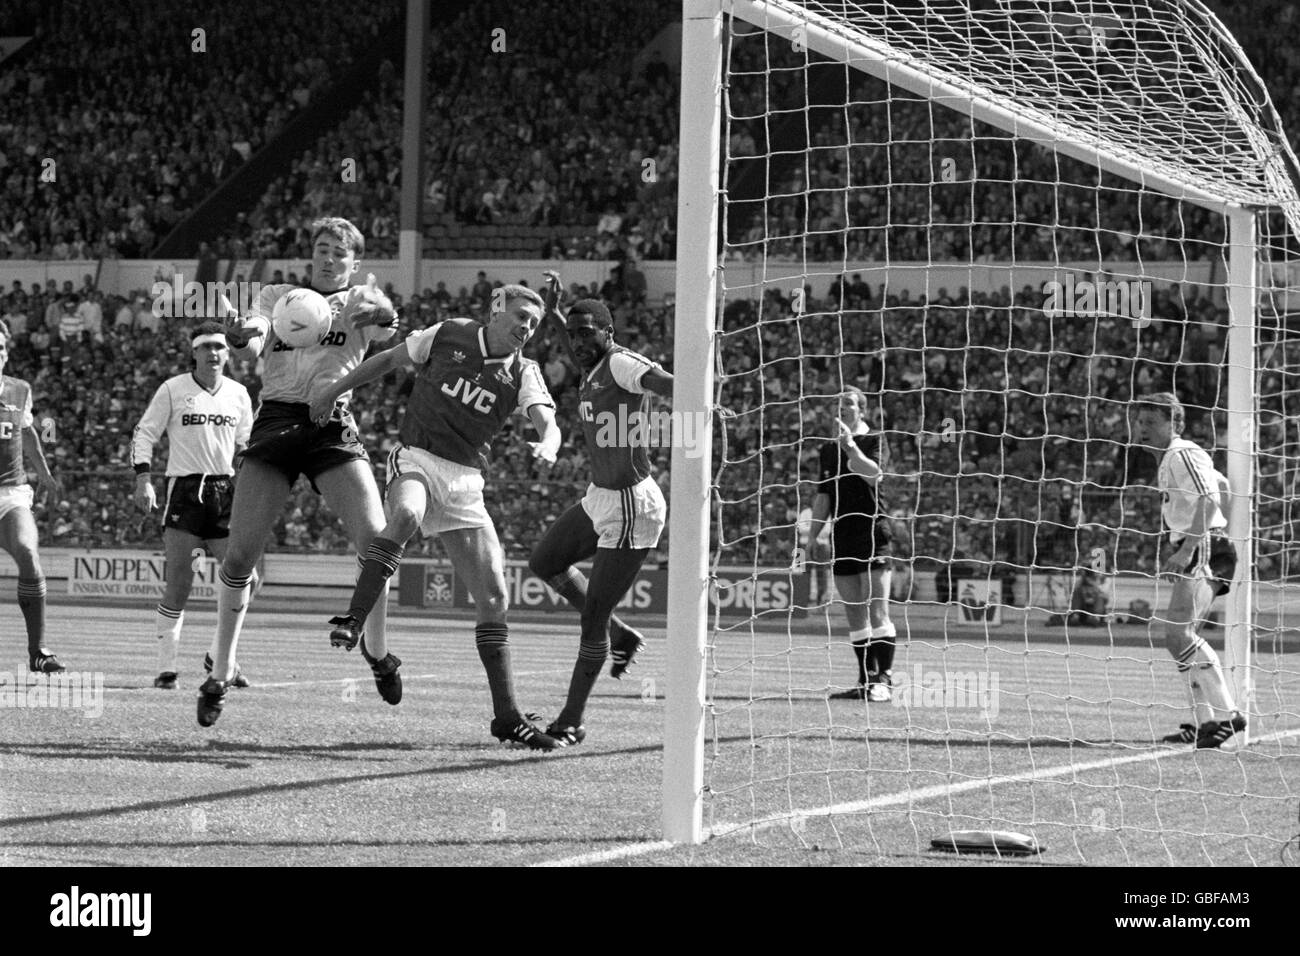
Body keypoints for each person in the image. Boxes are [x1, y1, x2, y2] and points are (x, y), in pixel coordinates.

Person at [308, 284, 565, 750]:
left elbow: (546, 417)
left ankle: (507, 717)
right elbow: (387, 360)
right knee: (405, 512)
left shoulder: (524, 371)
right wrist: (333, 391)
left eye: (534, 322)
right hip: (419, 457)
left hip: (466, 480)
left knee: (495, 598)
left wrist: (548, 441)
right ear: (495, 312)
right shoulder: (449, 334)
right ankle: (353, 619)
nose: (526, 327)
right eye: (520, 316)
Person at [197, 216, 398, 727]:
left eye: (338, 252)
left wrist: (387, 310)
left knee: (376, 542)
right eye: (321, 248)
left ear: (355, 263)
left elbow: (389, 325)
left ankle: (377, 652)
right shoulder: (277, 294)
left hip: (332, 421)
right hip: (279, 419)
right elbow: (256, 336)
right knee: (241, 552)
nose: (327, 257)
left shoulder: (360, 300)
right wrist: (242, 335)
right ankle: (220, 671)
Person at [526, 275, 672, 746]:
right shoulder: (592, 364)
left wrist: (701, 401)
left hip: (632, 502)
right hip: (601, 496)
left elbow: (666, 383)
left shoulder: (623, 363)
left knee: (592, 616)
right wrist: (554, 312)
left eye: (588, 332)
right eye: (573, 333)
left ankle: (571, 721)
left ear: (608, 333)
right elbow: (579, 348)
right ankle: (622, 636)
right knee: (544, 563)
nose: (579, 341)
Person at [131, 321, 254, 690]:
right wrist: (143, 479)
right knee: (180, 582)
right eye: (207, 347)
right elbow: (145, 432)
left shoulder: (239, 394)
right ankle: (166, 669)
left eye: (220, 347)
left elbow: (247, 444)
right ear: (194, 352)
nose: (214, 353)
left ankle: (220, 656)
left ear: (228, 353)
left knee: (249, 579)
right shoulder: (173, 389)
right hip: (185, 490)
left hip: (224, 489)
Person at [1133, 392, 1244, 749]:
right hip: (1199, 543)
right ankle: (1204, 724)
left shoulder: (1183, 452)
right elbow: (1221, 486)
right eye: (1140, 421)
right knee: (1175, 638)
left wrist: (1191, 547)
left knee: (1178, 633)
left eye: (1151, 422)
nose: (1142, 428)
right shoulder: (1173, 458)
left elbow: (1211, 498)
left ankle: (1230, 717)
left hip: (1203, 546)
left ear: (1175, 424)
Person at [812, 388, 898, 702]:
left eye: (848, 403)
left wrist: (851, 449)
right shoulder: (826, 450)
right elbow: (824, 496)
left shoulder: (875, 440)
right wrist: (813, 535)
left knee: (877, 610)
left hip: (873, 531)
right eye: (838, 403)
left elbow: (875, 476)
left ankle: (883, 681)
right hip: (843, 534)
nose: (842, 407)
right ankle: (865, 680)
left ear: (861, 410)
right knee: (853, 613)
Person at [0, 321, 63, 672]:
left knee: (28, 553)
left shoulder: (19, 390)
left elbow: (27, 434)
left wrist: (46, 476)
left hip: (10, 492)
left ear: (6, 354)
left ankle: (38, 651)